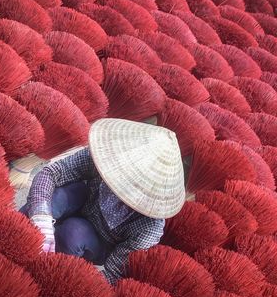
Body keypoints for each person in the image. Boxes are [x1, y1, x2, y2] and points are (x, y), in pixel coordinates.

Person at [23, 118, 186, 284]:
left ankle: (41, 272)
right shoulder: (107, 156)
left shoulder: (149, 228)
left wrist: (75, 283)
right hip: (82, 201)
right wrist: (40, 216)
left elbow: (112, 274)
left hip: (98, 242)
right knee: (55, 198)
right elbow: (51, 173)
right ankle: (19, 234)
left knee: (74, 232)